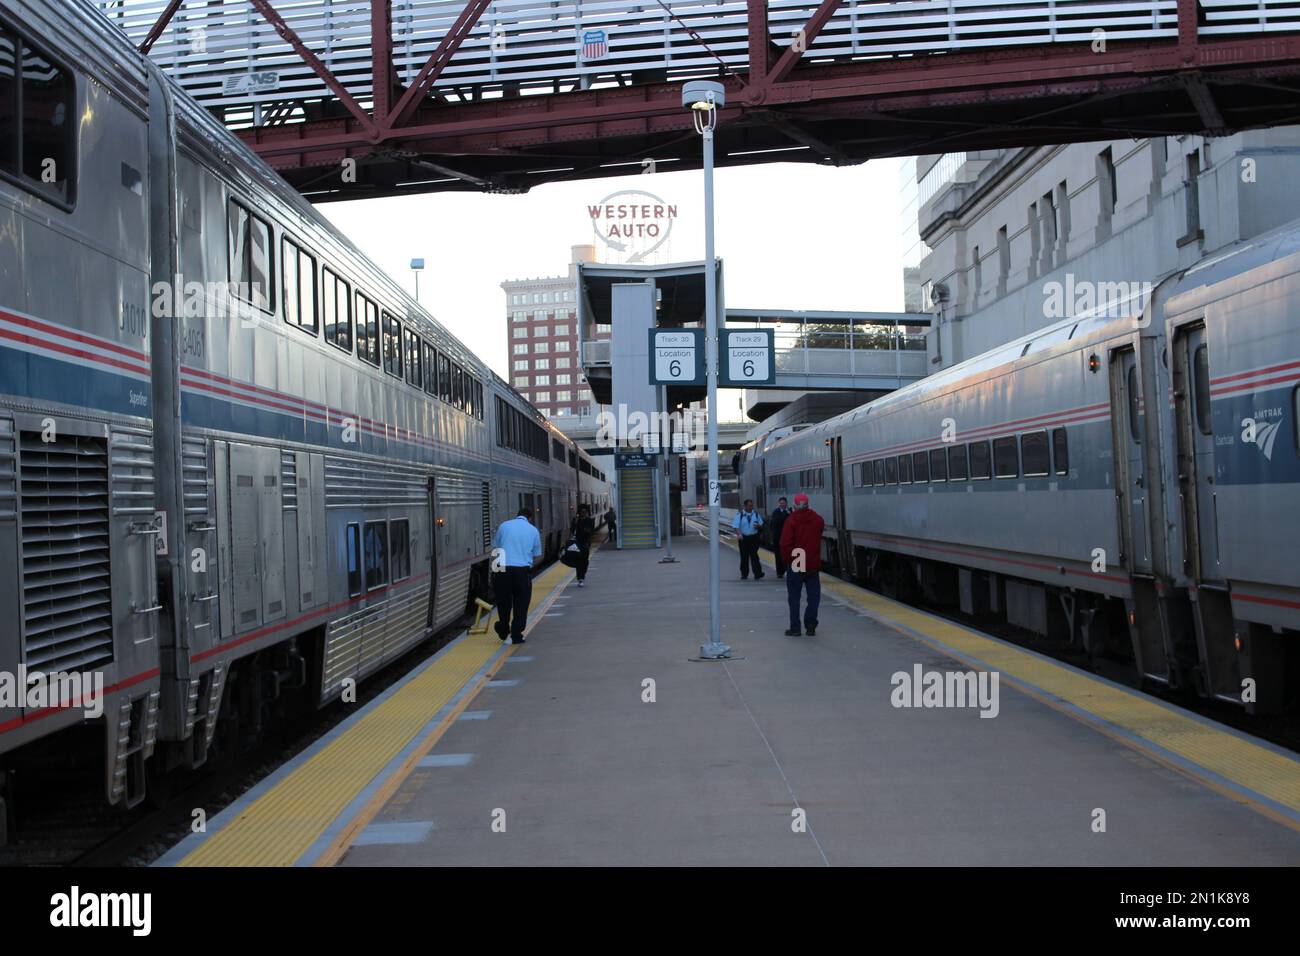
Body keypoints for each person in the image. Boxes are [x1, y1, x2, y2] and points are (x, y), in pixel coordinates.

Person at [491, 506, 542, 644]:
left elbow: (495, 548)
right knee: (521, 603)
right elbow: (537, 555)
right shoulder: (533, 530)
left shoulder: (504, 526)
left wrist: (495, 570)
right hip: (522, 571)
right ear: (530, 518)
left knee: (503, 601)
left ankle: (502, 628)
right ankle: (516, 635)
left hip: (503, 569)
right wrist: (528, 565)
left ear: (517, 515)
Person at [779, 493, 825, 636]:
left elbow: (785, 544)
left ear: (794, 505)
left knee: (794, 597)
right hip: (812, 562)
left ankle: (795, 628)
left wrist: (788, 560)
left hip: (797, 560)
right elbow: (819, 532)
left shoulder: (791, 520)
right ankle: (810, 625)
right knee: (813, 596)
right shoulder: (817, 520)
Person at [731, 499, 765, 580]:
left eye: (752, 505)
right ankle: (744, 574)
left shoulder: (755, 514)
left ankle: (758, 574)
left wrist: (758, 526)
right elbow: (736, 526)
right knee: (744, 557)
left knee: (754, 556)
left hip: (754, 538)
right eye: (750, 506)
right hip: (743, 538)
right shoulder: (740, 515)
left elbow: (761, 525)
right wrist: (739, 534)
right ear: (745, 506)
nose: (751, 507)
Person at [571, 504, 596, 587]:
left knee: (585, 562)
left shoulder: (590, 521)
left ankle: (583, 575)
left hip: (586, 544)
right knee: (578, 562)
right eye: (582, 512)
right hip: (577, 544)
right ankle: (580, 578)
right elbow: (572, 531)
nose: (583, 513)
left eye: (585, 512)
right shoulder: (576, 521)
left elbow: (592, 531)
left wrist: (587, 532)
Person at [767, 497, 791, 578]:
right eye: (781, 503)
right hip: (778, 537)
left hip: (788, 537)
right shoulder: (776, 512)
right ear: (779, 504)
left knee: (787, 555)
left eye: (783, 503)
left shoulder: (789, 511)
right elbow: (778, 521)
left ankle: (787, 570)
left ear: (786, 503)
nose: (782, 504)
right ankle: (779, 572)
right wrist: (787, 515)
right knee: (778, 555)